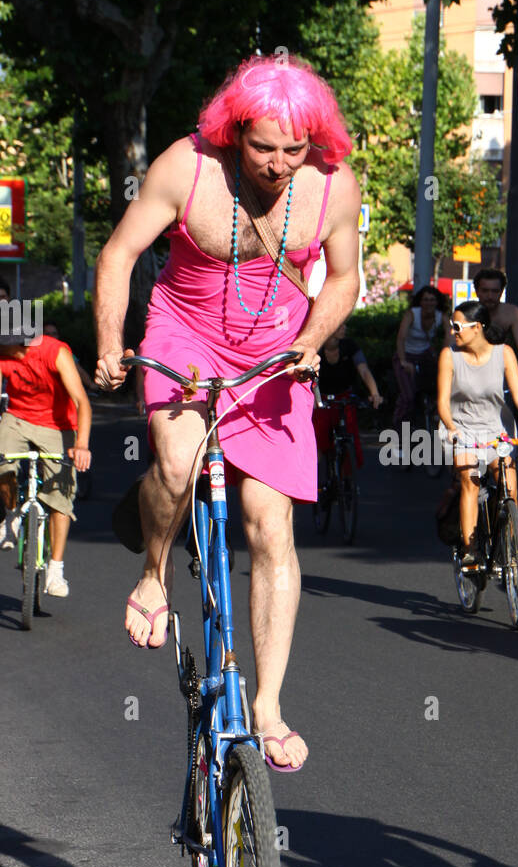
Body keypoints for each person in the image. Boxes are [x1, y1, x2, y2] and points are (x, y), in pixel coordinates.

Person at [93, 54, 361, 772]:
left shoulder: (333, 185)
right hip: (184, 336)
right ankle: (154, 574)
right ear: (234, 131)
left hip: (278, 351)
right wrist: (111, 345)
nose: (277, 164)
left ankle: (267, 705)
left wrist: (312, 341)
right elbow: (118, 255)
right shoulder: (186, 167)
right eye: (263, 147)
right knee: (178, 463)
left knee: (271, 523)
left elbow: (344, 277)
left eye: (293, 149)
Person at [437, 300, 518, 566]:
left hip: (497, 430)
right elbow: (442, 402)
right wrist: (451, 428)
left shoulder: (504, 353)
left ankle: (508, 543)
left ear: (477, 327)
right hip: (462, 429)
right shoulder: (449, 356)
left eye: (457, 326)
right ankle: (470, 548)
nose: (452, 331)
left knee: (509, 486)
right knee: (470, 481)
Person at [0, 324, 92, 593]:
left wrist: (82, 445)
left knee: (60, 497)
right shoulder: (3, 356)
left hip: (58, 426)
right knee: (3, 463)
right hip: (17, 419)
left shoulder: (55, 352)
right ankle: (11, 516)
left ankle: (56, 570)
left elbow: (82, 402)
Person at [314, 321, 382, 470]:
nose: (344, 328)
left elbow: (363, 370)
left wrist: (374, 392)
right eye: (340, 325)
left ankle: (347, 476)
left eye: (345, 324)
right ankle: (316, 477)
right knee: (318, 439)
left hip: (344, 396)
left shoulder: (350, 346)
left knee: (350, 432)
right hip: (322, 398)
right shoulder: (316, 348)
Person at [392, 285, 447, 426]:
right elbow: (401, 338)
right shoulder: (412, 314)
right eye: (425, 300)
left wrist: (446, 357)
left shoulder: (440, 316)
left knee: (441, 381)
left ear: (437, 302)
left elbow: (450, 336)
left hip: (425, 355)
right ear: (420, 302)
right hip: (406, 355)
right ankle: (399, 425)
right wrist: (403, 361)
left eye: (432, 300)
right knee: (408, 396)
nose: (429, 303)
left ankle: (435, 413)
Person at [472, 267, 518, 392]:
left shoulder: (512, 313)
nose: (490, 296)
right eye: (485, 291)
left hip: (504, 379)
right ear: (477, 291)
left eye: (495, 291)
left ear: (501, 292)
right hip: (472, 377)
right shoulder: (467, 314)